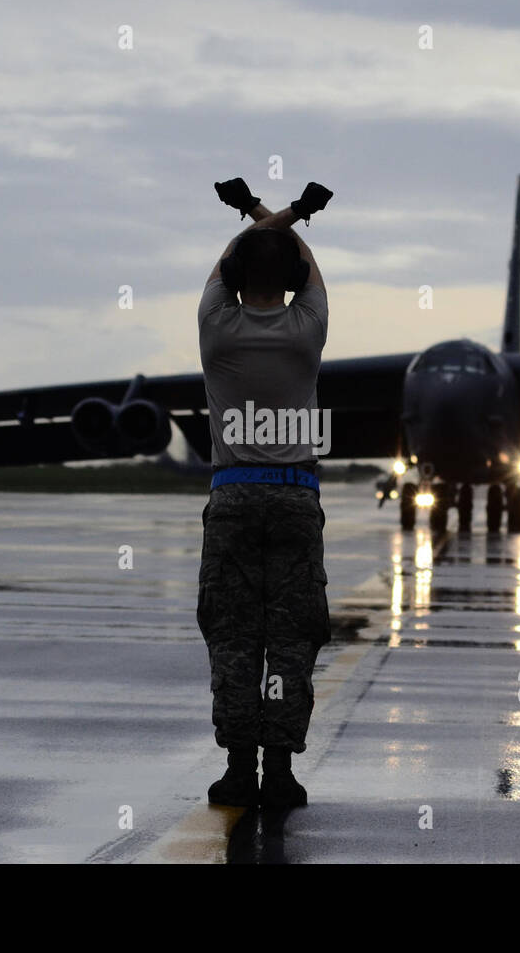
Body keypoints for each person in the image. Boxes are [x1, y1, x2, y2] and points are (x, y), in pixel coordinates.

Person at [196, 178, 334, 808]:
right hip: (295, 500)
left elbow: (237, 258)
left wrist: (250, 211)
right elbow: (304, 263)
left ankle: (237, 770)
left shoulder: (217, 330)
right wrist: (297, 212)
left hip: (232, 498)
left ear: (232, 274)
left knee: (233, 637)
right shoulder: (306, 330)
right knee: (291, 638)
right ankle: (279, 773)